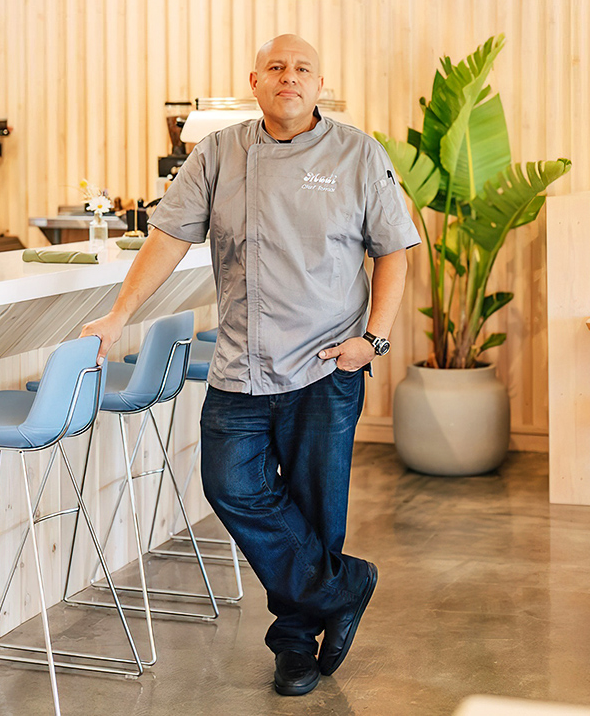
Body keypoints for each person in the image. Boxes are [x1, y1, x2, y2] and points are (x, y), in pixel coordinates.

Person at [81, 34, 420, 696]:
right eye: (275, 67)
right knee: (229, 485)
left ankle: (294, 646)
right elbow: (168, 237)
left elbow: (395, 251)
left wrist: (372, 340)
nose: (287, 77)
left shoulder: (357, 154)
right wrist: (119, 313)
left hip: (325, 366)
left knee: (316, 508)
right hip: (239, 365)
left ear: (320, 84)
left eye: (301, 68)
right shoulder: (217, 154)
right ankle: (341, 585)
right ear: (254, 81)